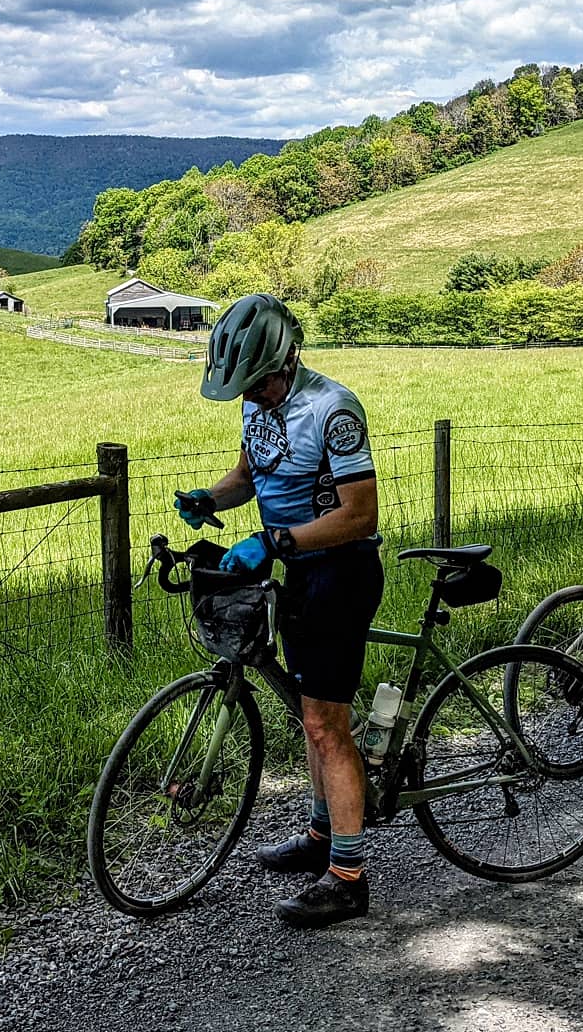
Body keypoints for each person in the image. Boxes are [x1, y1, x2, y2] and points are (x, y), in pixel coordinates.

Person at [174, 293, 383, 929]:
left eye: (259, 383)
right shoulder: (255, 403)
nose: (253, 395)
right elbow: (248, 476)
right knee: (311, 718)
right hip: (297, 571)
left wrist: (274, 542)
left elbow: (359, 516)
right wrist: (211, 497)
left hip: (341, 572)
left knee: (325, 723)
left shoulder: (333, 409)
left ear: (287, 360)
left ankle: (348, 878)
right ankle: (321, 836)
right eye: (244, 387)